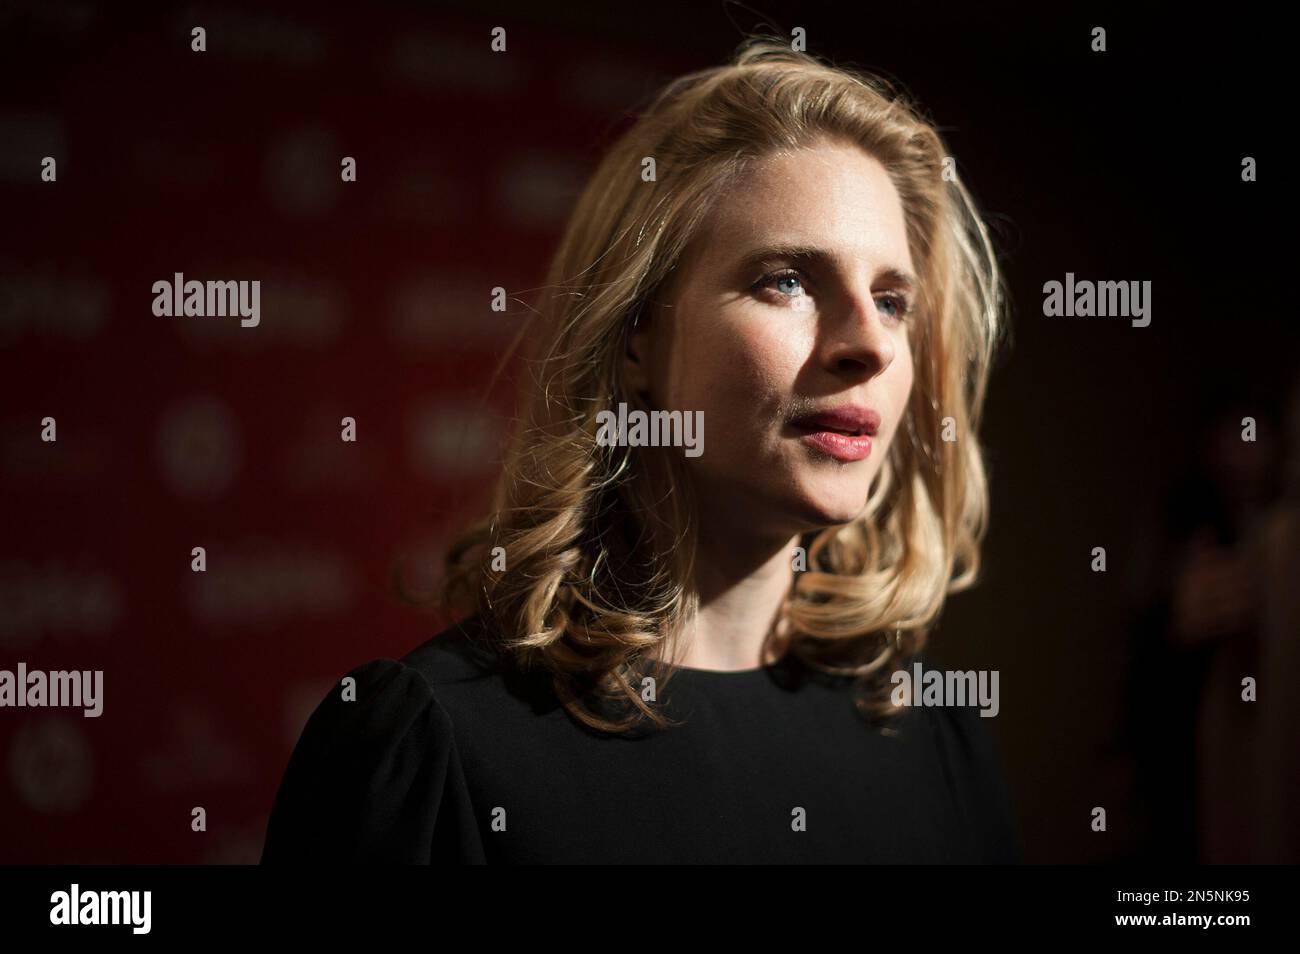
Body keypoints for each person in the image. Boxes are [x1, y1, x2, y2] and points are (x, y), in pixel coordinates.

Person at [261, 37, 1019, 864]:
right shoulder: (434, 746)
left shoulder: (935, 736)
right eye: (788, 280)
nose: (868, 345)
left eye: (891, 298)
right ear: (634, 340)